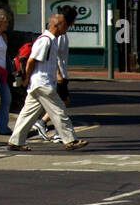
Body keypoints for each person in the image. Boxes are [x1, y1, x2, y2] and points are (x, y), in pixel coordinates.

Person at [8, 14, 88, 151]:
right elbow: (31, 61)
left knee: (27, 114)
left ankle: (16, 141)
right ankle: (70, 140)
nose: (67, 27)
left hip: (40, 84)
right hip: (42, 84)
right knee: (59, 110)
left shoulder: (53, 40)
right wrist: (27, 78)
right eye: (64, 24)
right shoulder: (45, 41)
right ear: (56, 25)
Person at [33, 5, 76, 142]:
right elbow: (55, 55)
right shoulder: (59, 35)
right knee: (60, 105)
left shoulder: (63, 33)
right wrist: (59, 74)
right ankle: (47, 126)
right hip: (58, 74)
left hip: (61, 73)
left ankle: (47, 125)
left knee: (60, 103)